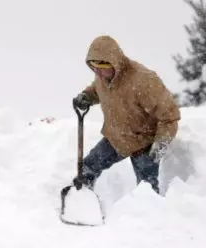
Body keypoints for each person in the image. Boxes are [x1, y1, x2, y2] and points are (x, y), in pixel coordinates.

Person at [70, 35, 180, 193]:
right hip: (116, 138)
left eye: (102, 67)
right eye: (94, 67)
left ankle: (150, 215)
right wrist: (86, 96)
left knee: (146, 192)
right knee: (87, 169)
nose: (98, 72)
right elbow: (98, 89)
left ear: (114, 62)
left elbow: (170, 117)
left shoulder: (144, 80)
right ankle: (82, 198)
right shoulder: (103, 75)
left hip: (144, 144)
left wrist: (157, 151)